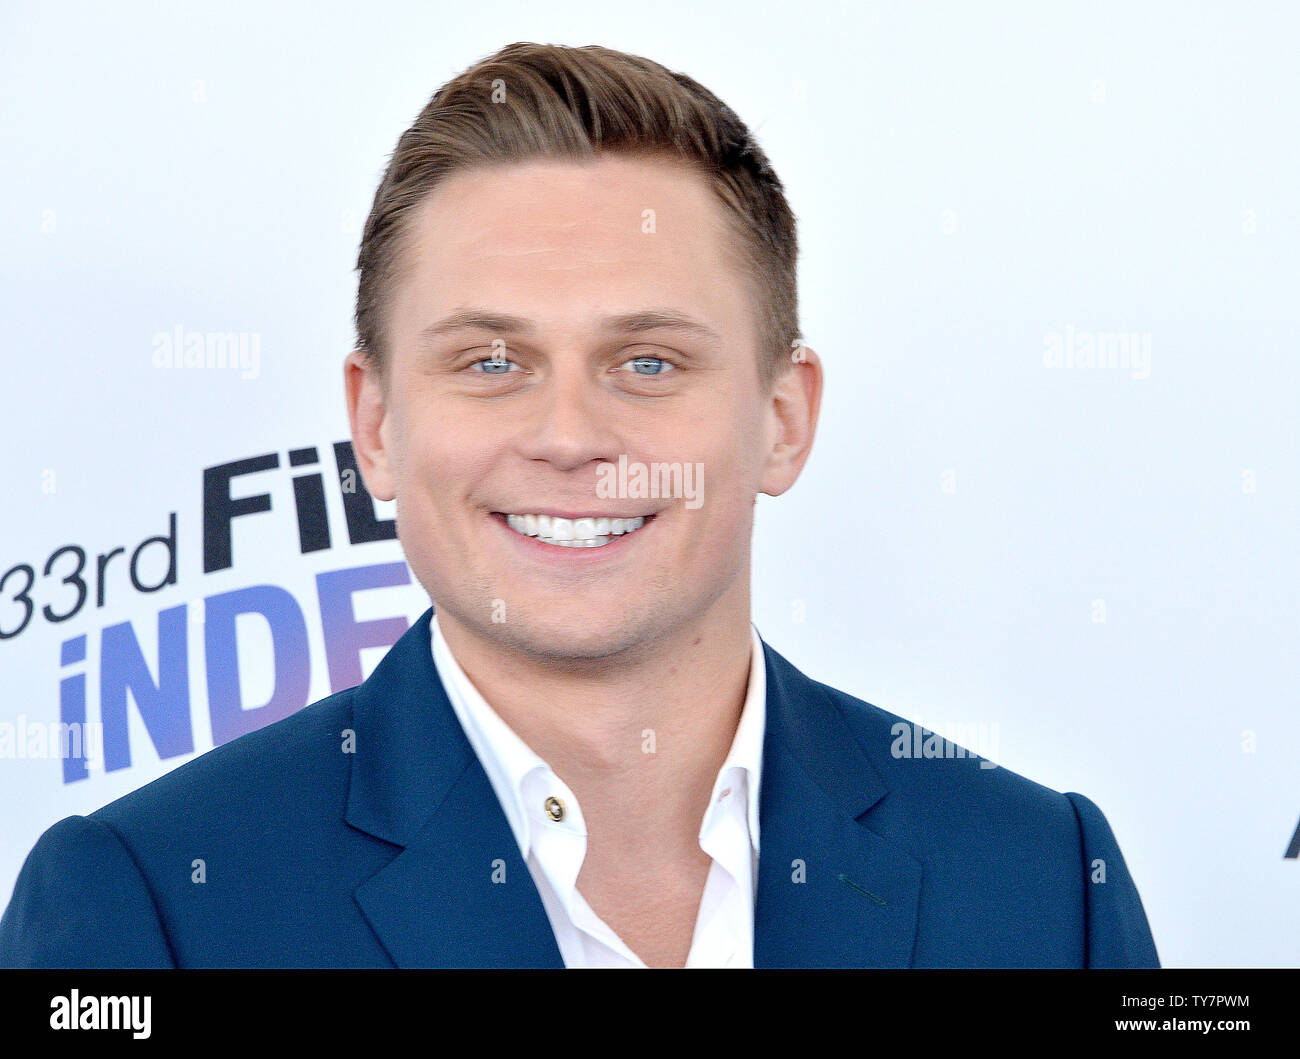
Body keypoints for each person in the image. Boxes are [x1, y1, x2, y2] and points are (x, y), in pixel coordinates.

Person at [0, 41, 1158, 968]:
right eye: (490, 362)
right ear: (377, 424)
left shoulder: (1042, 879)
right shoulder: (147, 902)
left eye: (648, 363)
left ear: (782, 417)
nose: (567, 437)